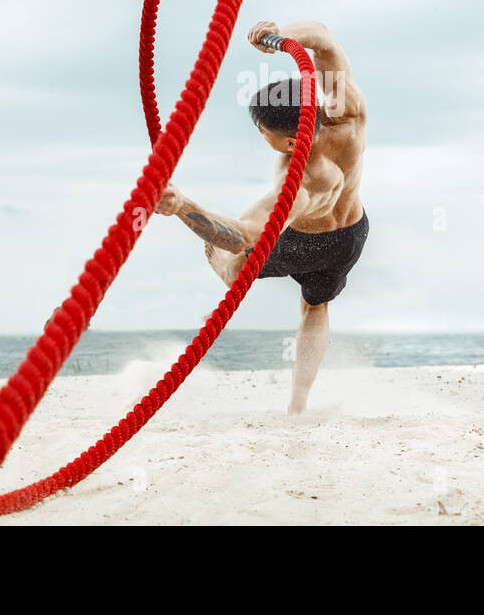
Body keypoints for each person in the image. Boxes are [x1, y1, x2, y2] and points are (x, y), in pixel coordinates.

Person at [154, 20, 368, 414]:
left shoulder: (300, 183)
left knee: (234, 262)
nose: (261, 136)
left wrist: (182, 206)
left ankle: (227, 273)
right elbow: (323, 40)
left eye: (263, 133)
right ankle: (298, 403)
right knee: (315, 307)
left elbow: (248, 235)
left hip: (304, 239)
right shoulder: (346, 114)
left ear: (291, 141)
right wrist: (280, 36)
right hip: (350, 237)